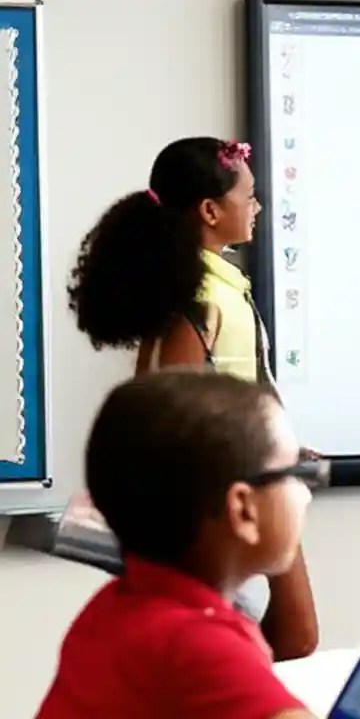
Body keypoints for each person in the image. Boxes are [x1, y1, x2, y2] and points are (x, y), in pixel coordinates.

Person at [64, 136, 319, 659]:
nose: (257, 206)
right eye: (248, 196)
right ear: (210, 210)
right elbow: (169, 420)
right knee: (287, 637)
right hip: (218, 515)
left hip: (237, 493)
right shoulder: (207, 300)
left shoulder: (198, 291)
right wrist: (266, 460)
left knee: (289, 637)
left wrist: (283, 447)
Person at [36, 370, 324, 718]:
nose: (305, 493)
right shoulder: (200, 645)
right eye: (295, 473)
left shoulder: (114, 607)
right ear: (243, 509)